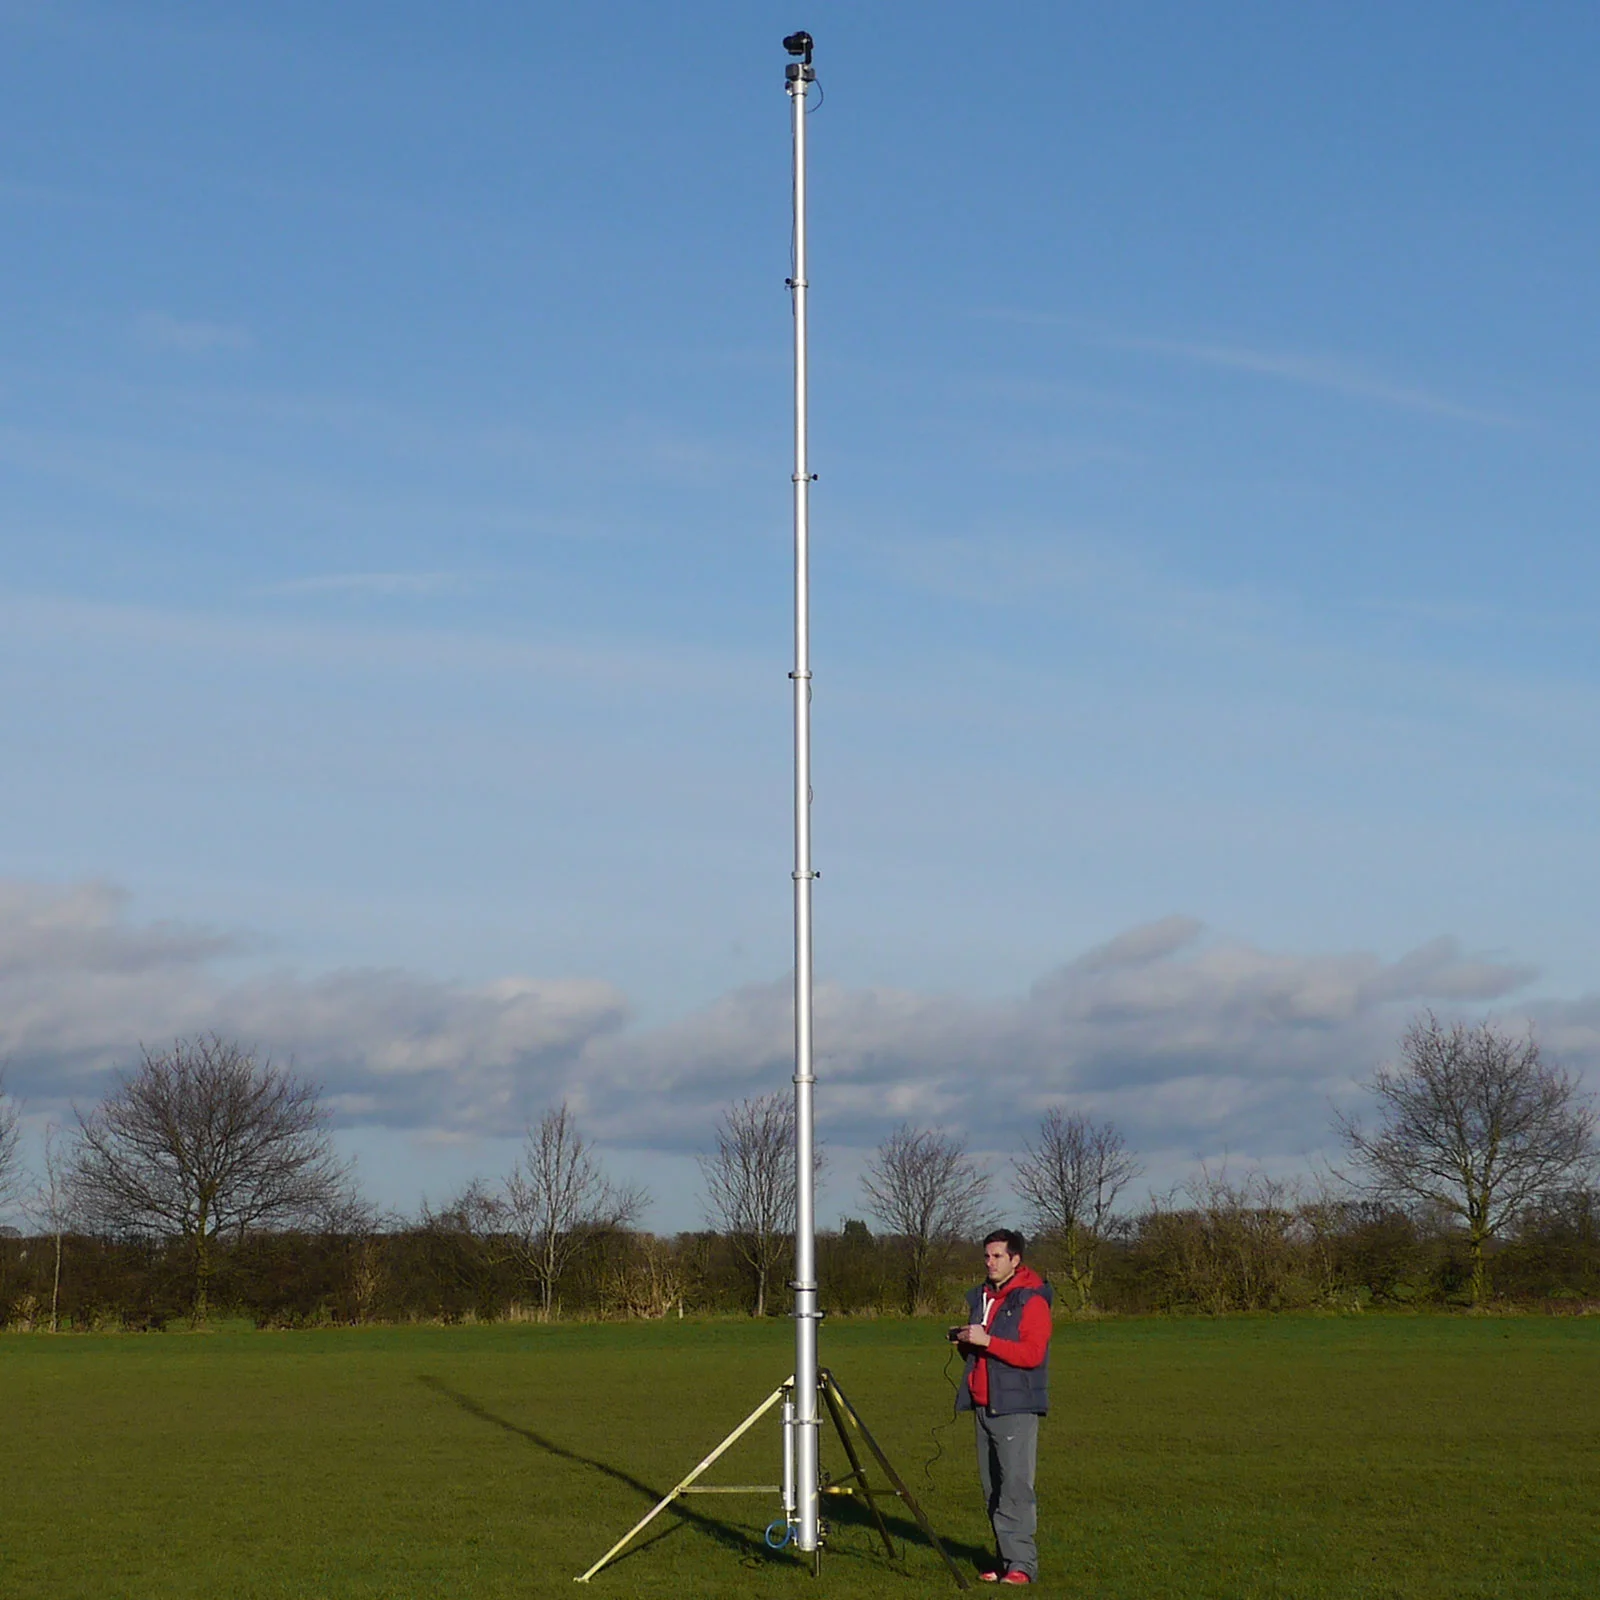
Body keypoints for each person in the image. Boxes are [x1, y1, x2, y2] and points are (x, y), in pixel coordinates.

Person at [954, 1228, 1053, 1585]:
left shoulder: (1032, 1301)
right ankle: (1004, 1558)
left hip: (1015, 1406)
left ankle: (1022, 1565)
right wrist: (967, 1341)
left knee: (1015, 1487)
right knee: (992, 1488)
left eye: (997, 1256)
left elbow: (1032, 1354)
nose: (990, 1263)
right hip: (983, 1403)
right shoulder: (983, 1297)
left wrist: (988, 1340)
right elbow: (986, 1347)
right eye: (986, 1256)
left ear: (1015, 1259)